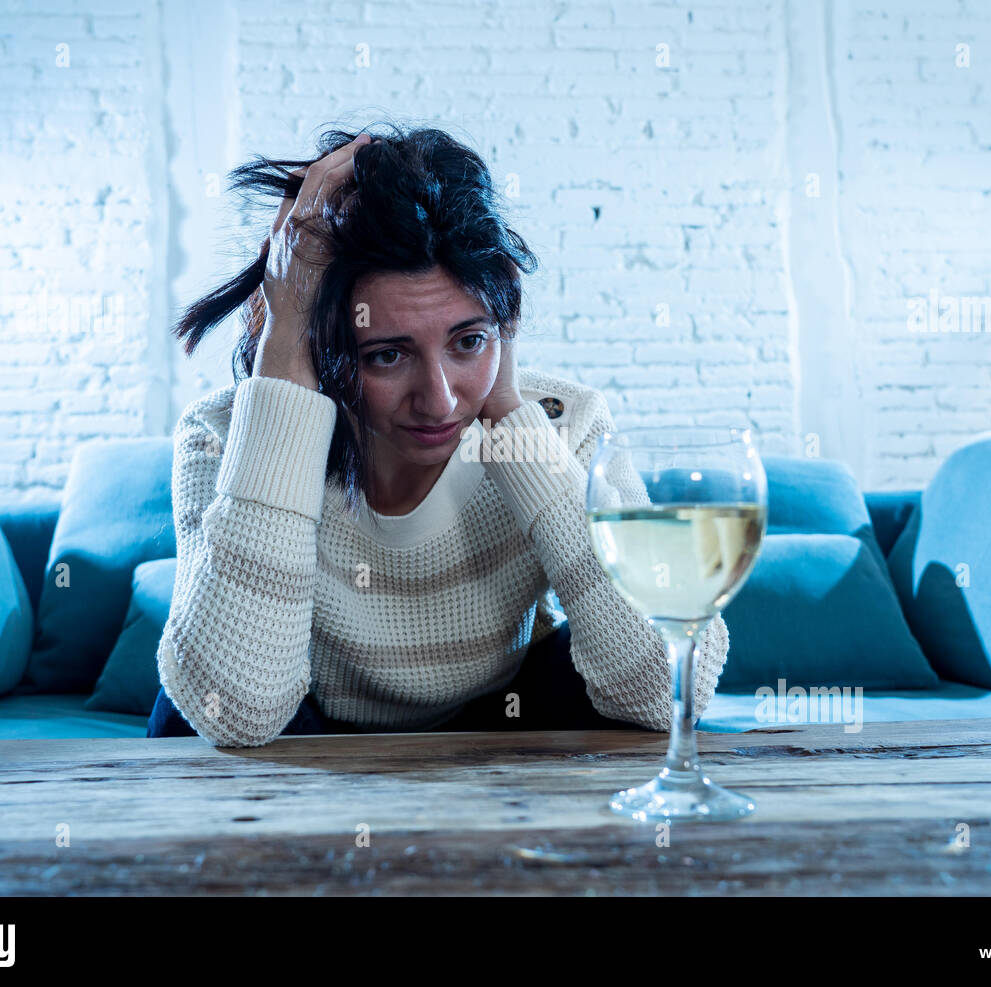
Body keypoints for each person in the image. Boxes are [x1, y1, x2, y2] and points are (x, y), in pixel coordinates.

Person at [148, 122, 730, 745]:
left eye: (468, 341)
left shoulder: (568, 423)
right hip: (304, 727)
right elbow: (233, 712)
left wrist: (510, 420)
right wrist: (284, 348)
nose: (441, 400)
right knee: (195, 699)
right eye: (386, 355)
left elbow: (666, 686)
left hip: (505, 717)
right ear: (322, 342)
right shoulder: (223, 435)